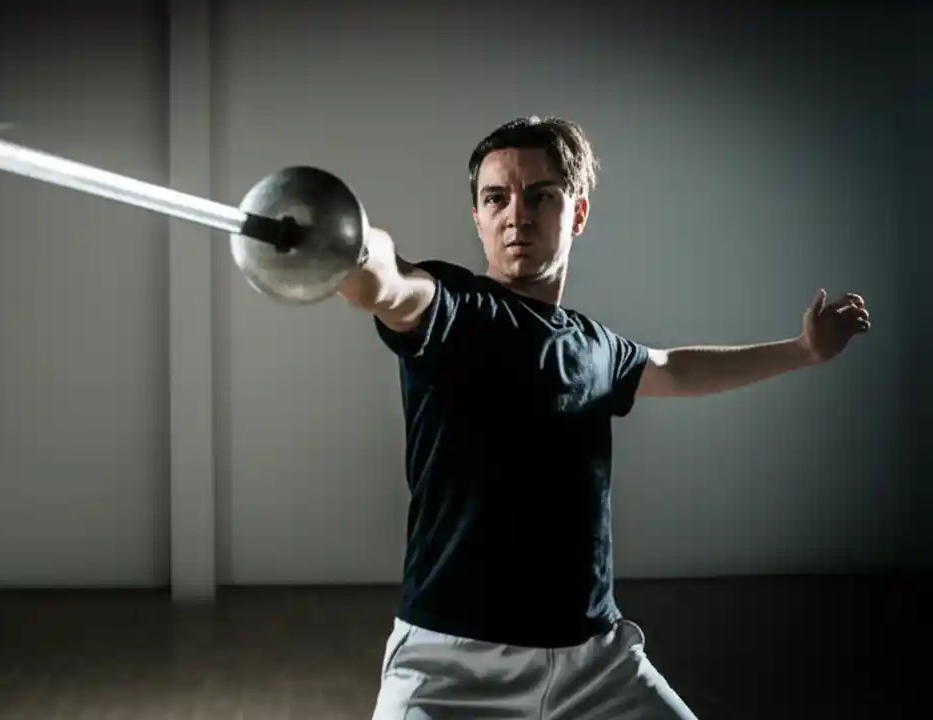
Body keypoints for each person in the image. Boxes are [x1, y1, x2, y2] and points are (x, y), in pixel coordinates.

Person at [336, 116, 870, 719]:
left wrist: (802, 351)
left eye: (541, 196)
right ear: (478, 218)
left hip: (596, 664)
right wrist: (350, 248)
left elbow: (674, 368)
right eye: (496, 198)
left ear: (578, 214)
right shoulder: (455, 311)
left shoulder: (595, 347)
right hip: (452, 666)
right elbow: (386, 281)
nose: (518, 215)